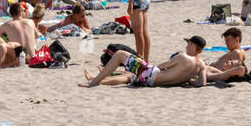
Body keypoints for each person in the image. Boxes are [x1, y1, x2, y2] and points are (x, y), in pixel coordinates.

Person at [80, 37, 209, 87]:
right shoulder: (202, 65)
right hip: (155, 83)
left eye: (188, 44)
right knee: (130, 77)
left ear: (193, 45)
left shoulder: (183, 57)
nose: (186, 47)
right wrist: (188, 80)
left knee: (119, 54)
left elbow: (160, 66)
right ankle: (96, 79)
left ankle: (95, 82)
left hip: (152, 75)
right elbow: (202, 83)